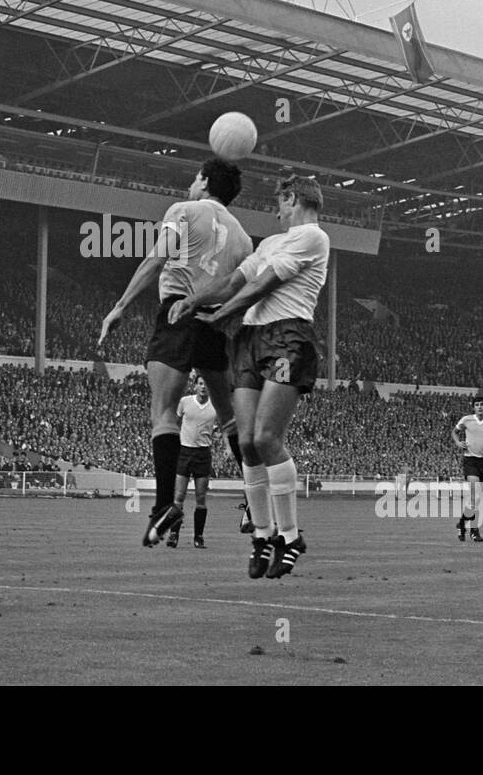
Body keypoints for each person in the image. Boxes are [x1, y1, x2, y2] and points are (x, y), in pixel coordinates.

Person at [171, 174, 329, 579]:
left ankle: (290, 536)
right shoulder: (269, 244)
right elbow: (233, 282)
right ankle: (262, 535)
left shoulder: (313, 237)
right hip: (249, 340)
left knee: (265, 438)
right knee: (245, 443)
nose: (276, 212)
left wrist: (221, 314)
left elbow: (263, 285)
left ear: (293, 198)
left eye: (280, 203)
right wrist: (195, 300)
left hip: (287, 338)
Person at [100, 158, 252, 547]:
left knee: (163, 411)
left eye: (194, 178)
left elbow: (156, 260)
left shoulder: (184, 211)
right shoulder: (243, 238)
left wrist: (120, 306)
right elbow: (237, 290)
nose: (190, 184)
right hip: (215, 324)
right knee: (230, 417)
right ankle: (256, 498)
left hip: (177, 312)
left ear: (203, 180)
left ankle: (164, 505)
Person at [168, 376, 217, 549]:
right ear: (195, 386)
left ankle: (198, 537)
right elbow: (174, 421)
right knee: (179, 496)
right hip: (184, 451)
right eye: (200, 383)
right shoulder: (185, 402)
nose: (203, 387)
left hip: (203, 454)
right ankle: (174, 534)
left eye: (206, 384)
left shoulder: (215, 406)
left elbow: (224, 426)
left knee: (201, 498)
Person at [451, 396, 483, 542]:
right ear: (473, 407)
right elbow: (454, 432)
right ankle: (474, 530)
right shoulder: (466, 420)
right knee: (476, 497)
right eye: (477, 405)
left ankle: (461, 524)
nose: (479, 407)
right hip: (470, 461)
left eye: (482, 404)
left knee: (476, 500)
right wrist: (457, 442)